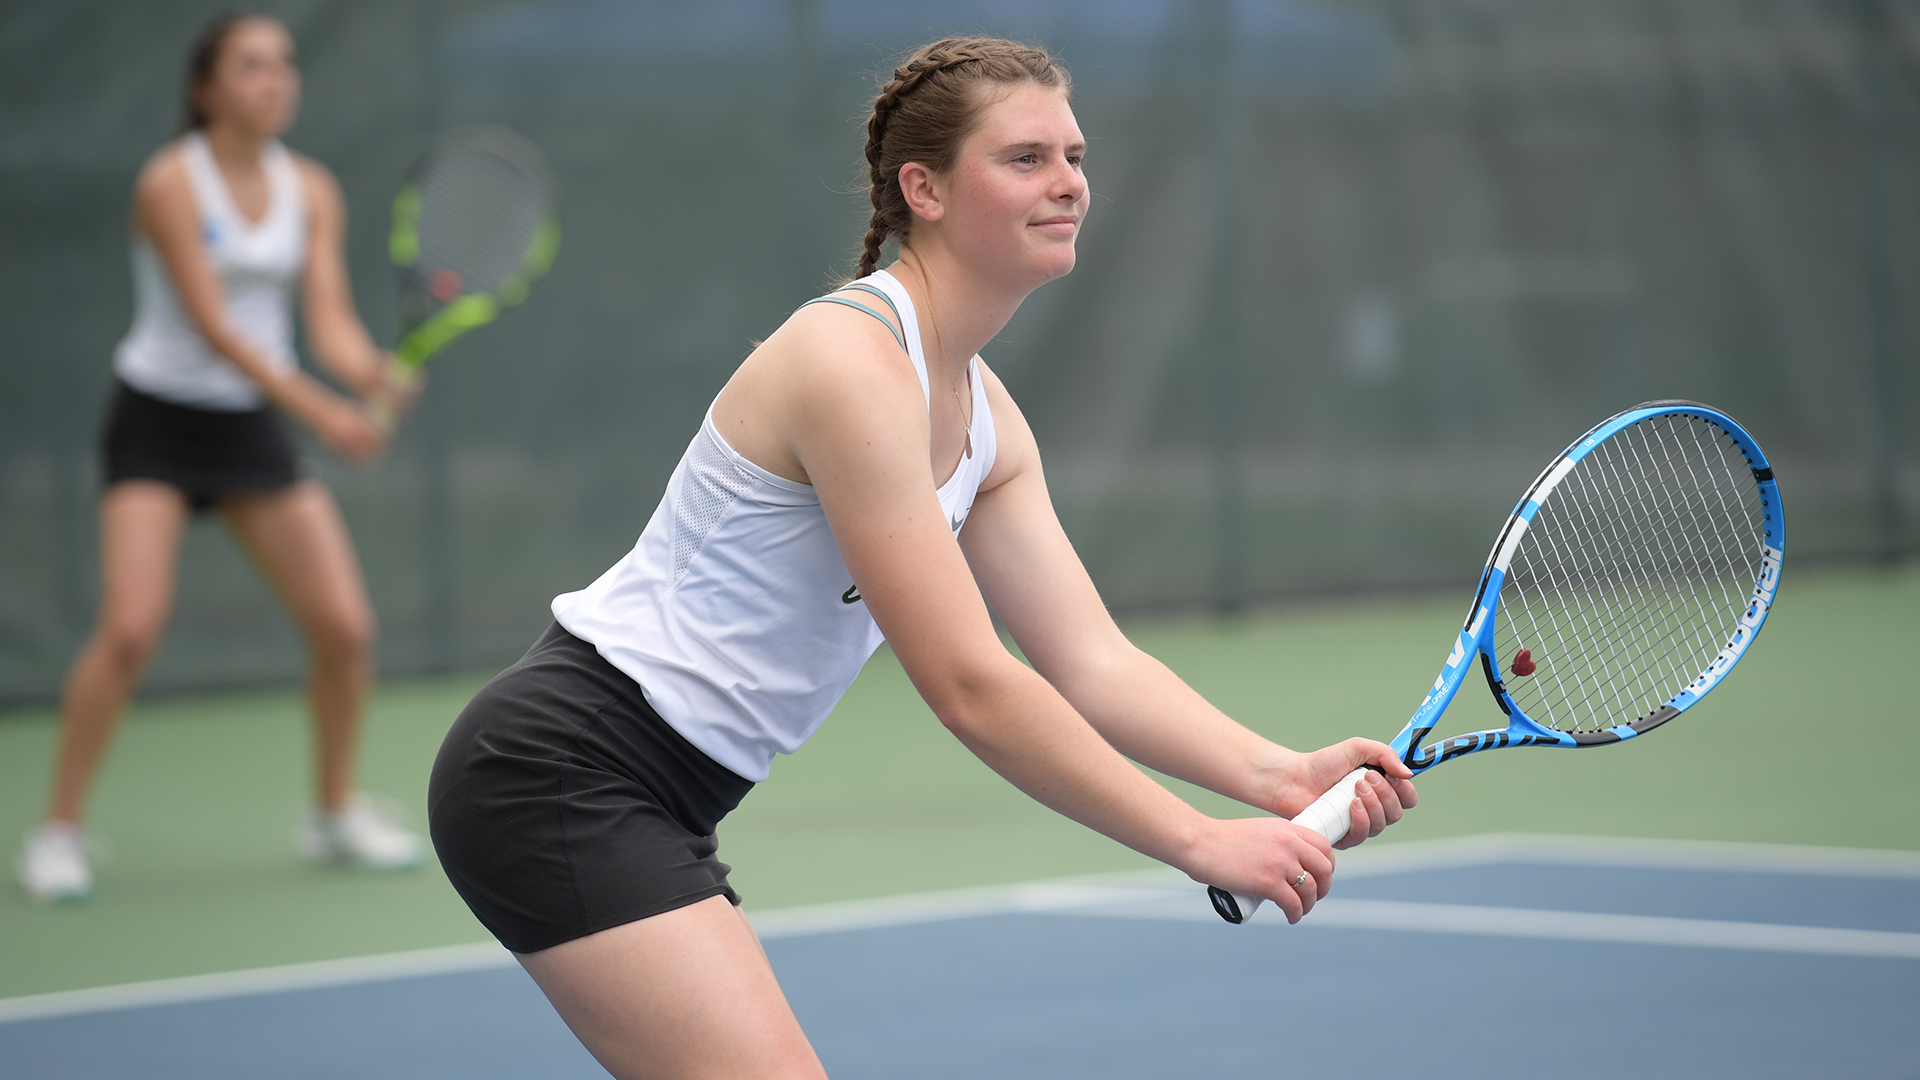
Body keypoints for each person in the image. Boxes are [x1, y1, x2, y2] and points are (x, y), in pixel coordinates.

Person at [428, 37, 1417, 1079]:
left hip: (659, 793)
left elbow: (1092, 663)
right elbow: (969, 683)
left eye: (1075, 156)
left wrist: (1278, 773)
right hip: (561, 773)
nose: (1069, 182)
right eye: (1026, 158)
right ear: (924, 188)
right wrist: (1196, 840)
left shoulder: (988, 418)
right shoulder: (848, 365)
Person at [15, 12, 421, 905]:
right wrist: (326, 412)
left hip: (250, 430)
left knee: (346, 632)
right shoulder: (170, 183)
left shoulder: (310, 188)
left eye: (283, 65)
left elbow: (326, 320)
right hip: (157, 422)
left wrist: (366, 372)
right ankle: (58, 832)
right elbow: (219, 329)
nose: (275, 81)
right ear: (207, 89)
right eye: (251, 67)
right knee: (129, 630)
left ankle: (332, 810)